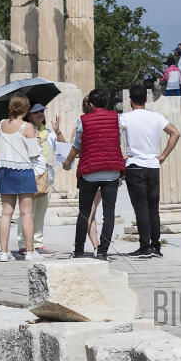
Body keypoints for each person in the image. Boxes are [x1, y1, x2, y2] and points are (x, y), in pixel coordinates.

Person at [61, 87, 125, 260]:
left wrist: (67, 163)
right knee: (109, 214)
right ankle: (103, 251)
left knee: (84, 212)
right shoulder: (115, 118)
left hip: (89, 172)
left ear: (90, 104)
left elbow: (77, 146)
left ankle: (79, 251)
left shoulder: (83, 120)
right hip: (111, 171)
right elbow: (116, 140)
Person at [121, 83, 181, 258]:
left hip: (135, 165)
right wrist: (163, 156)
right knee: (153, 209)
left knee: (141, 209)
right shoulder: (156, 117)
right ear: (146, 99)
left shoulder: (125, 118)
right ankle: (156, 246)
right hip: (153, 166)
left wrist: (120, 154)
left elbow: (114, 134)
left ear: (130, 100)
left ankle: (144, 246)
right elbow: (175, 133)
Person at [0, 94, 42, 262]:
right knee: (26, 213)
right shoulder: (27, 127)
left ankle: (4, 252)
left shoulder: (0, 124)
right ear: (26, 108)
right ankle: (29, 251)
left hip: (5, 171)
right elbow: (34, 154)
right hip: (23, 171)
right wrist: (37, 139)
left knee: (6, 213)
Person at [13, 104, 60, 256]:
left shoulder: (49, 132)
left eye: (42, 111)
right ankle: (22, 243)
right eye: (36, 112)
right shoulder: (25, 130)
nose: (40, 114)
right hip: (30, 174)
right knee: (27, 212)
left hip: (47, 175)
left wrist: (58, 131)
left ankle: (37, 243)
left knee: (41, 211)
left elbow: (61, 147)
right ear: (29, 115)